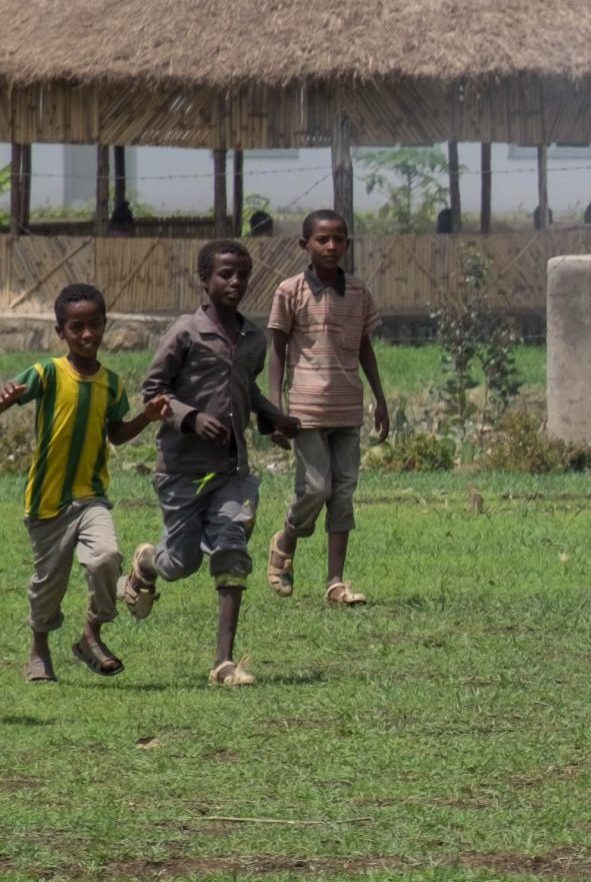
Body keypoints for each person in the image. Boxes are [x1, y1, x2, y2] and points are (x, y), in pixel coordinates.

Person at [124, 240, 303, 686]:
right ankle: (147, 562)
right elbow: (152, 393)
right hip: (181, 469)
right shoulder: (186, 333)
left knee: (231, 548)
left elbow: (247, 391)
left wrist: (274, 418)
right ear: (205, 279)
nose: (235, 282)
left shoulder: (253, 339)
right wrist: (191, 418)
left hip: (230, 471)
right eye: (225, 274)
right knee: (180, 564)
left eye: (243, 275)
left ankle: (224, 663)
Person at [2, 284, 170, 682]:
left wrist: (146, 417)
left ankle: (91, 634)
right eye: (76, 327)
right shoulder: (46, 373)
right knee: (49, 584)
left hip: (91, 497)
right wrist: (5, 396)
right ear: (61, 332)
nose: (87, 334)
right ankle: (39, 650)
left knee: (105, 558)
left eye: (95, 324)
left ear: (105, 325)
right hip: (47, 503)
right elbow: (10, 394)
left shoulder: (111, 384)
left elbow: (116, 434)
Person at [266, 210, 388, 607]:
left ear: (347, 244)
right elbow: (277, 349)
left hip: (347, 407)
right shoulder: (290, 291)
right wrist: (275, 408)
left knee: (343, 493)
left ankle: (335, 582)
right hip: (306, 410)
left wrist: (381, 399)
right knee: (316, 488)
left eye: (339, 239)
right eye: (322, 239)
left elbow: (365, 347)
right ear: (305, 245)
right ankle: (286, 539)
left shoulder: (358, 292)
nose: (331, 246)